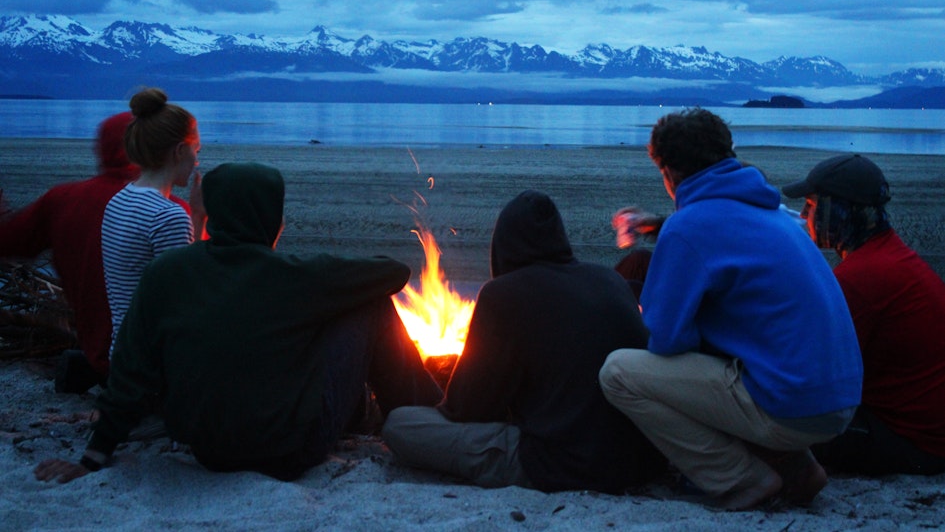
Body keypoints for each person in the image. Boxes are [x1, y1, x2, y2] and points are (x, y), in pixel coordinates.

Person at [33, 162, 443, 483]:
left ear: (210, 214)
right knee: (367, 305)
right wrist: (320, 273)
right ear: (272, 219)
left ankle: (396, 414)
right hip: (294, 450)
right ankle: (425, 417)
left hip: (209, 452)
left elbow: (130, 371)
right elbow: (393, 272)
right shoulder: (293, 274)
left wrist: (92, 457)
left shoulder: (167, 273)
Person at [598, 108, 863, 510]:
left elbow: (665, 340)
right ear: (728, 155)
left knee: (619, 372)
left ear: (667, 173)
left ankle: (741, 480)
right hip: (840, 397)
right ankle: (798, 470)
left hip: (793, 404)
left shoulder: (688, 226)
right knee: (743, 359)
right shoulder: (774, 212)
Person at [383, 190, 666, 493]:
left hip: (562, 464)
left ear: (501, 246)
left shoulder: (502, 294)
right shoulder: (610, 280)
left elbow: (466, 410)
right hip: (640, 461)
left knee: (401, 425)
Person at [783, 154, 945, 475]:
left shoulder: (861, 277)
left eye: (811, 205)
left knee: (771, 422)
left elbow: (811, 372)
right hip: (927, 429)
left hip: (915, 442)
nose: (802, 215)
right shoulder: (892, 254)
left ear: (841, 210)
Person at [0, 112, 138, 392]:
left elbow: (9, 241)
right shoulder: (168, 212)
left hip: (98, 354)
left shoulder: (63, 201)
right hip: (142, 362)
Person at [101, 87, 206, 357]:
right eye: (197, 150)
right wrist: (199, 217)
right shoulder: (167, 216)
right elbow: (187, 300)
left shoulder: (119, 201)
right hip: (152, 367)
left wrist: (195, 214)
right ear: (180, 151)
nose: (197, 161)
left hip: (123, 355)